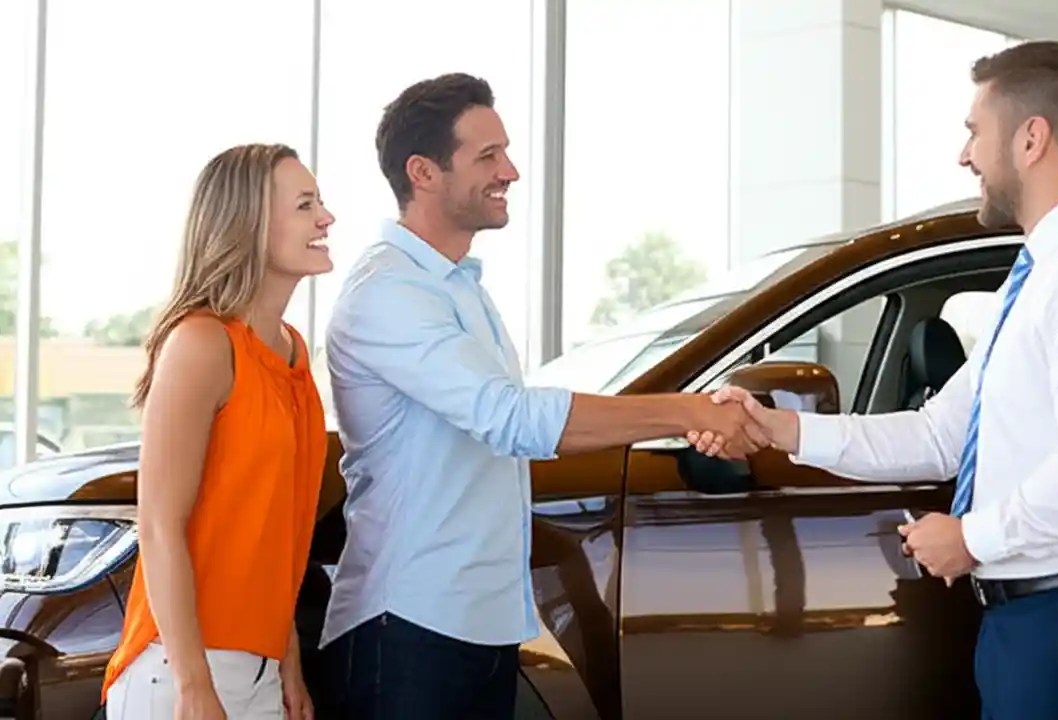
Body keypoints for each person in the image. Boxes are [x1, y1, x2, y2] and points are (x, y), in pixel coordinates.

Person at [698, 41, 1058, 719]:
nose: (965, 157)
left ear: (1031, 138)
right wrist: (779, 428)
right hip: (1034, 623)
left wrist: (971, 539)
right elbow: (941, 433)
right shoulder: (1048, 275)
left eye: (973, 132)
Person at [319, 72, 765, 719]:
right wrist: (687, 409)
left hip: (473, 627)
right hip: (409, 628)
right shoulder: (390, 293)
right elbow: (511, 418)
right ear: (424, 172)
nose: (513, 171)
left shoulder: (456, 286)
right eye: (488, 156)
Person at [102, 143, 335, 720]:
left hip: (255, 672)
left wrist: (287, 659)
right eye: (306, 205)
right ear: (249, 225)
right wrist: (193, 686)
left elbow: (269, 533)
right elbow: (158, 525)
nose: (326, 218)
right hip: (178, 670)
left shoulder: (291, 352)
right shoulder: (202, 344)